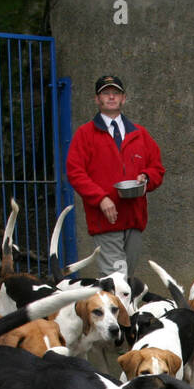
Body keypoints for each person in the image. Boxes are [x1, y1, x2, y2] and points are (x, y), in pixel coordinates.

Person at [65, 75, 165, 279]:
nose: (111, 97)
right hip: (105, 221)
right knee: (116, 281)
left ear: (123, 98)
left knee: (125, 281)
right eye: (105, 93)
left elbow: (157, 168)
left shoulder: (140, 133)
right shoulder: (85, 134)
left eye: (116, 93)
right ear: (97, 99)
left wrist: (146, 177)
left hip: (135, 218)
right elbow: (75, 172)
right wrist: (100, 199)